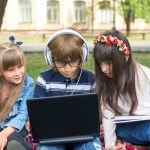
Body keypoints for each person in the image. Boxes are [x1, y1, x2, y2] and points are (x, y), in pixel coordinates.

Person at [34, 28, 102, 150]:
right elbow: (37, 115)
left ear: (82, 57)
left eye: (73, 62)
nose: (67, 68)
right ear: (51, 58)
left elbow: (96, 114)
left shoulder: (91, 79)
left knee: (91, 147)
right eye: (61, 62)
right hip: (52, 135)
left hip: (84, 135)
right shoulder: (44, 79)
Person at [93, 29, 150, 150]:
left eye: (108, 63)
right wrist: (110, 146)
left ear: (123, 58)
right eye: (100, 64)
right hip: (124, 129)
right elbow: (108, 117)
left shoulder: (146, 75)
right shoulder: (106, 82)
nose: (103, 69)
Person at [0, 36, 34, 150]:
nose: (18, 73)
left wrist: (4, 133)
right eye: (11, 70)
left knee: (13, 141)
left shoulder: (27, 83)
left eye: (20, 66)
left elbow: (23, 114)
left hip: (15, 127)